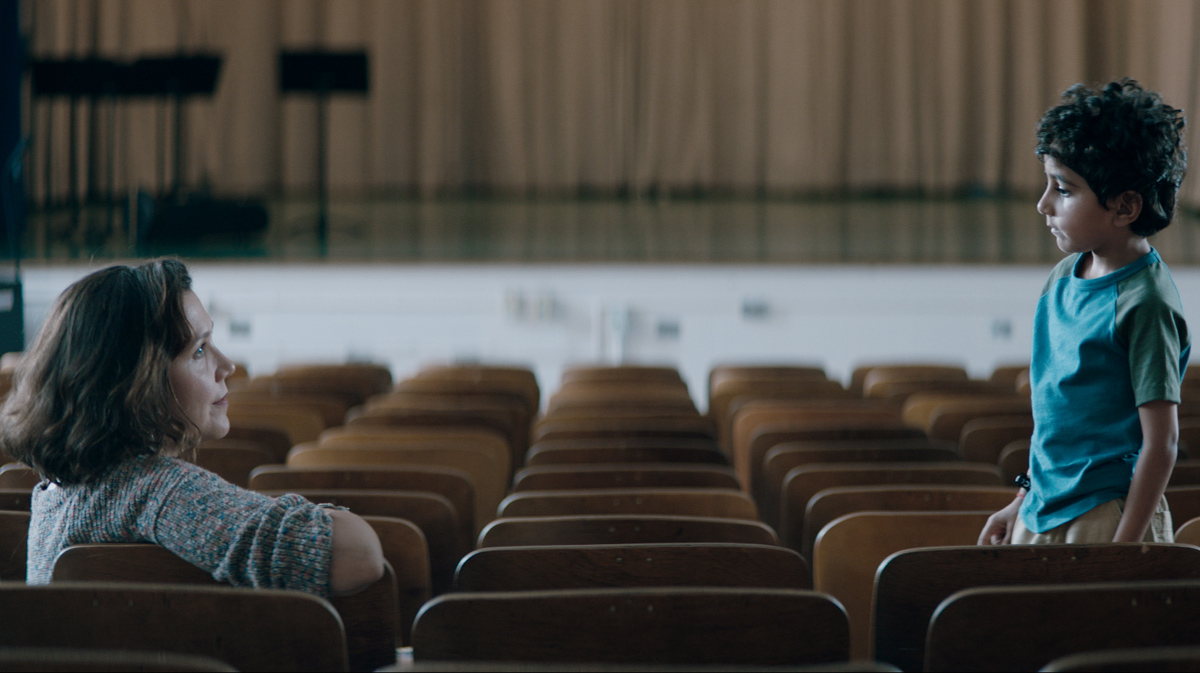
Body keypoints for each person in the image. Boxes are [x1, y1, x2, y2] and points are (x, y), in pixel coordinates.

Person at [1, 258, 384, 595]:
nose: (226, 366)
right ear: (139, 381)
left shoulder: (54, 492)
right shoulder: (154, 490)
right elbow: (359, 555)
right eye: (199, 350)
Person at [979, 79, 1189, 546]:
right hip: (1042, 511)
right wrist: (1020, 501)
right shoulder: (1061, 279)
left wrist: (1123, 550)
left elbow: (1162, 444)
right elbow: (1057, 422)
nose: (1043, 204)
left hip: (1108, 518)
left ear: (1125, 206)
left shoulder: (1145, 303)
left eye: (1063, 189)